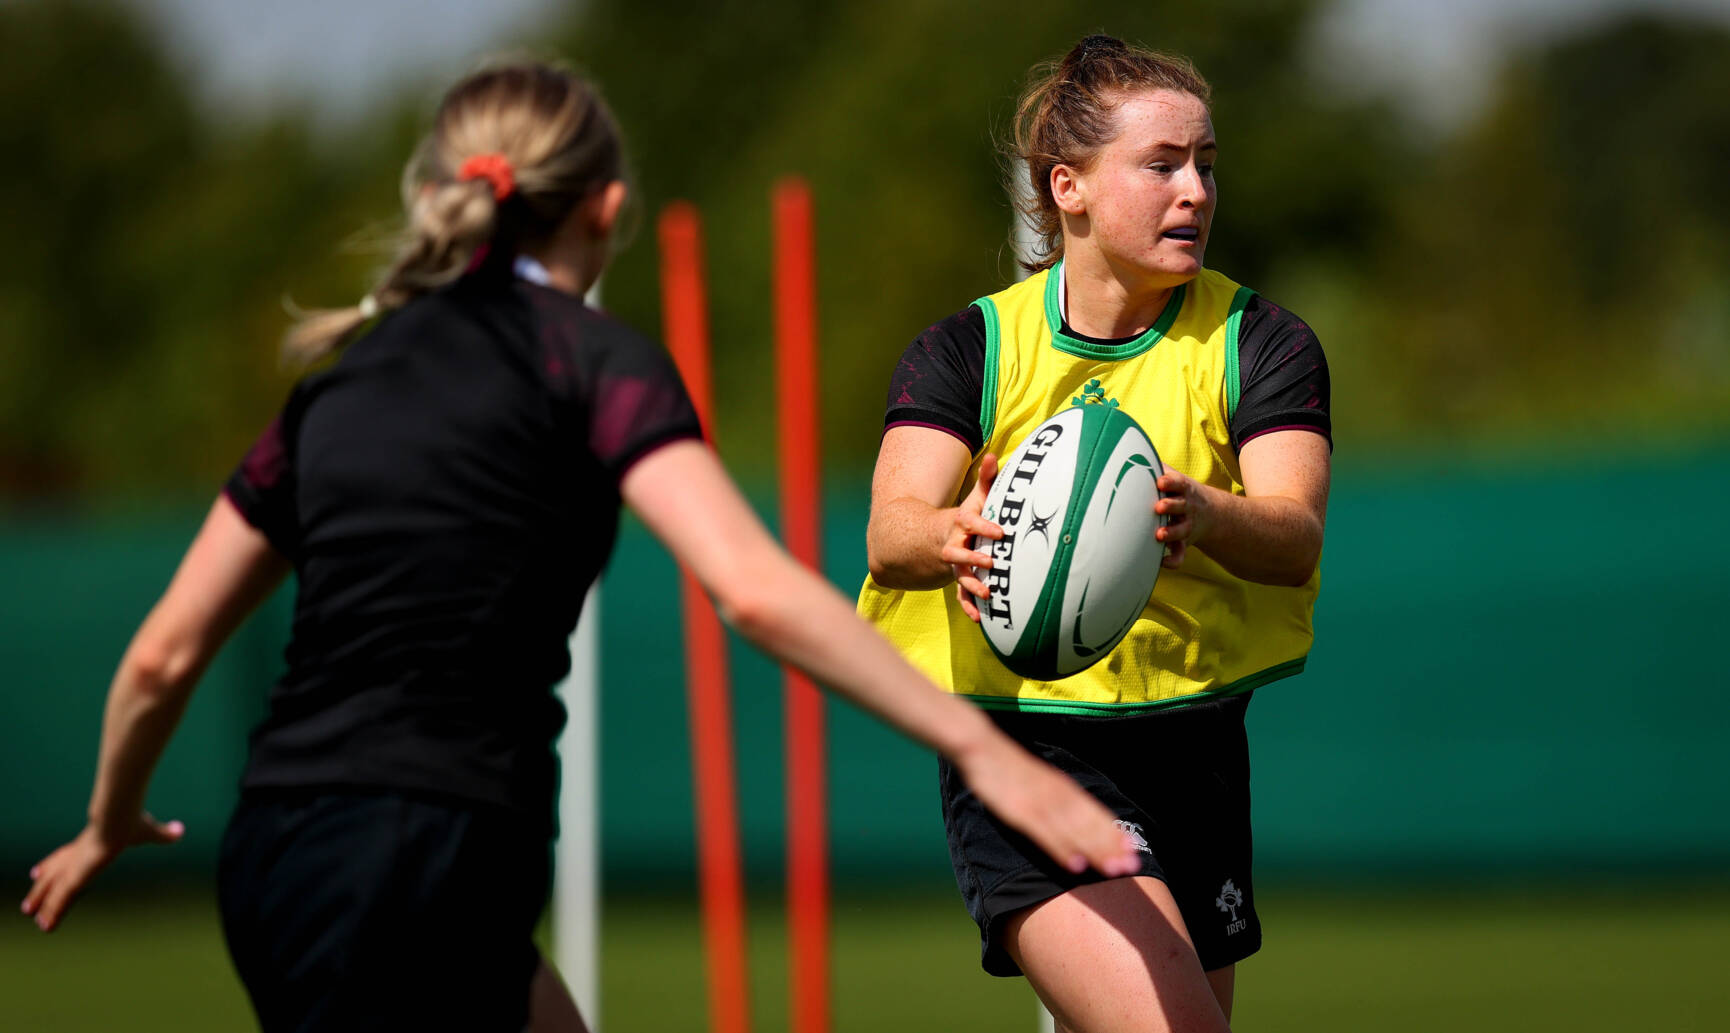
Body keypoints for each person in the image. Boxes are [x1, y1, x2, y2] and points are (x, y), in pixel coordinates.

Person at [19, 59, 1142, 1033]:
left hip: (282, 857)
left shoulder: (336, 387)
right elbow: (749, 591)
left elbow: (165, 652)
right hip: (420, 851)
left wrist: (112, 811)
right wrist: (984, 750)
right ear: (605, 210)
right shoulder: (593, 362)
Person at [858, 35, 1332, 1033]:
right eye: (1160, 165)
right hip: (1027, 757)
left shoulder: (1259, 341)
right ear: (1066, 188)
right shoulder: (971, 348)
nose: (1194, 192)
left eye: (1204, 163)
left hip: (1195, 751)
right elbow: (889, 530)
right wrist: (956, 534)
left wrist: (1203, 512)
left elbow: (1293, 533)